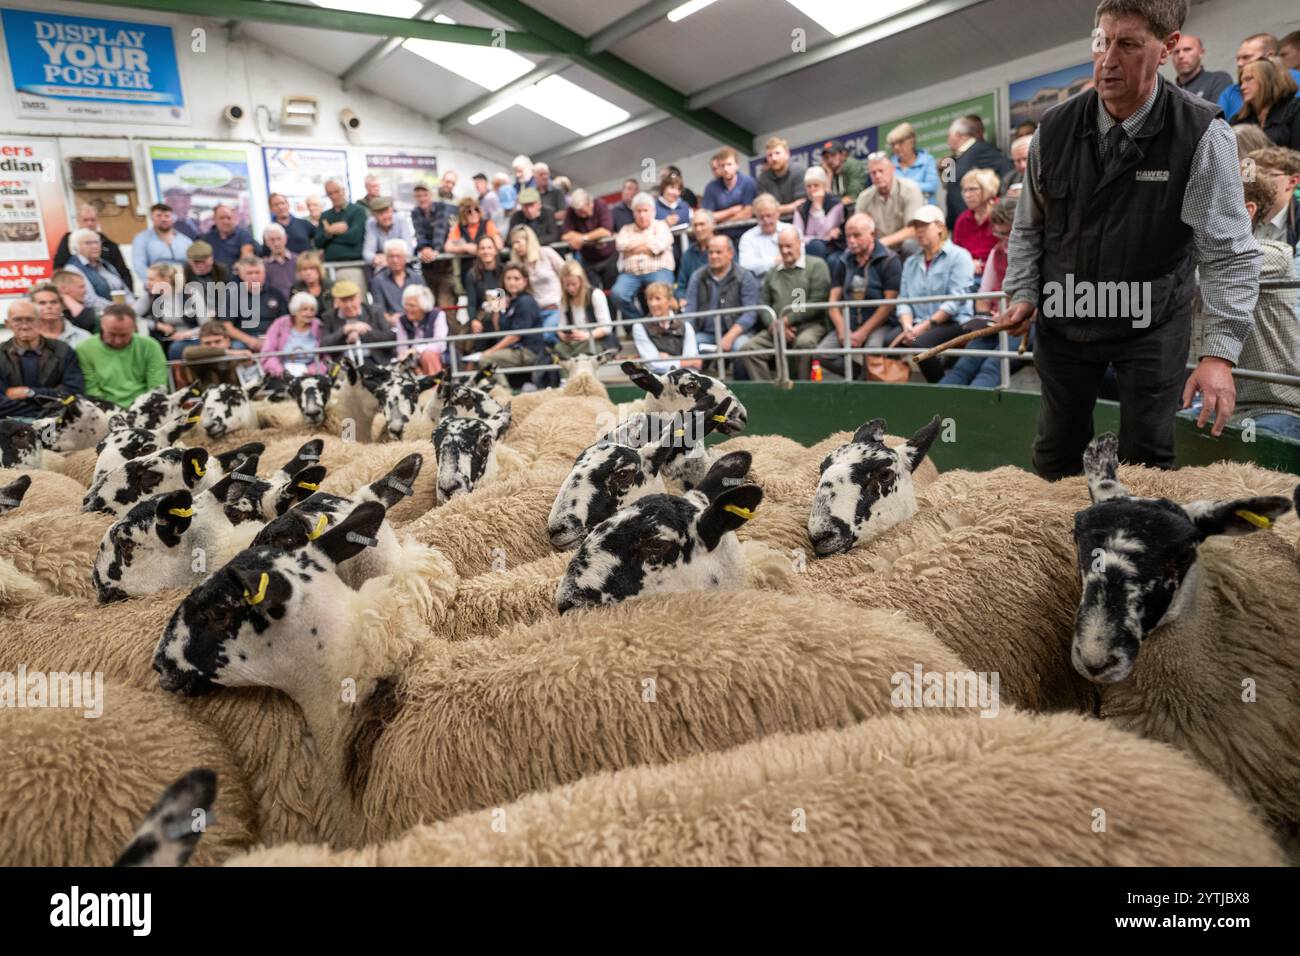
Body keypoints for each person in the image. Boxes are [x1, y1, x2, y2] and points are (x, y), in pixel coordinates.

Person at [999, 0, 1262, 478]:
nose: (1108, 59)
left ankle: (1137, 551)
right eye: (1101, 42)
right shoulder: (1052, 130)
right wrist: (1021, 291)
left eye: (1128, 44)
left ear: (1168, 47)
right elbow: (1028, 227)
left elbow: (1228, 255)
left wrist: (1218, 354)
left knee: (1146, 458)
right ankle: (1060, 548)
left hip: (1152, 322)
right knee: (1056, 453)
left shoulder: (1201, 134)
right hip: (1066, 316)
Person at [1218, 175, 1300, 439]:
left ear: (1247, 210)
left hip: (1280, 408)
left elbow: (1207, 270)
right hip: (1219, 405)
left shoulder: (1274, 256)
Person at [940, 200, 1026, 388]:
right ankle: (933, 408)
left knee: (992, 367)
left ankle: (969, 414)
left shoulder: (1037, 254)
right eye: (999, 234)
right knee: (963, 366)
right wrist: (986, 317)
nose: (1004, 240)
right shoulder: (997, 252)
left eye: (1008, 234)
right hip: (997, 322)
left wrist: (1011, 315)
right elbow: (983, 297)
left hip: (1025, 324)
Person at [887, 205, 974, 383]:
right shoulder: (911, 262)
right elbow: (903, 299)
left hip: (954, 321)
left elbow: (956, 300)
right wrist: (907, 326)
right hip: (920, 322)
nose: (919, 231)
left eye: (924, 226)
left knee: (921, 344)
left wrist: (923, 327)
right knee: (887, 342)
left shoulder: (960, 256)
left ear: (940, 227)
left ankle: (942, 389)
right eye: (916, 227)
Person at [741, 227, 832, 381]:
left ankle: (803, 389)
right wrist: (775, 325)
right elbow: (763, 303)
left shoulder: (816, 265)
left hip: (811, 325)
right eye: (781, 246)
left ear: (800, 243)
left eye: (788, 246)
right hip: (777, 328)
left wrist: (786, 321)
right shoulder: (773, 272)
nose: (784, 250)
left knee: (804, 343)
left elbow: (817, 300)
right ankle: (767, 393)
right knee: (749, 349)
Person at [819, 213, 903, 376]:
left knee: (872, 354)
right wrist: (843, 330)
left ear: (872, 235)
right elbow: (833, 301)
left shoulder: (889, 260)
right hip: (849, 321)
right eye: (848, 236)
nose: (851, 240)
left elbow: (889, 304)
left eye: (857, 235)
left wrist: (863, 332)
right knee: (820, 354)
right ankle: (858, 377)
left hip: (880, 323)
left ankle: (868, 387)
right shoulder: (843, 260)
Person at [0, 300, 84, 419]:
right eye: (17, 320)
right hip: (11, 424)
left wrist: (29, 392)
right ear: (7, 324)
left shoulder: (63, 351)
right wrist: (45, 407)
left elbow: (73, 391)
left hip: (57, 422)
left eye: (30, 319)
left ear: (40, 322)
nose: (24, 326)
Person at [75, 303, 168, 408]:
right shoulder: (84, 348)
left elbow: (156, 387)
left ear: (134, 327)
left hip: (145, 407)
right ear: (102, 325)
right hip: (103, 410)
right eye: (112, 334)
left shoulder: (150, 346)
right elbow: (91, 390)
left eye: (124, 335)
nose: (118, 341)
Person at [685, 235, 760, 359]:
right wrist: (686, 338)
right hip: (706, 333)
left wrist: (730, 337)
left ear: (730, 253)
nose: (714, 256)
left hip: (737, 333)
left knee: (740, 348)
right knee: (691, 347)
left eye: (718, 252)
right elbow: (689, 312)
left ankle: (737, 379)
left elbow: (750, 313)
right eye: (711, 252)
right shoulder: (697, 277)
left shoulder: (745, 276)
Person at [471, 263, 545, 383]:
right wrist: (497, 310)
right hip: (515, 349)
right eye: (508, 278)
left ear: (525, 281)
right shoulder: (512, 302)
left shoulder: (525, 301)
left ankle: (504, 392)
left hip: (527, 350)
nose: (512, 282)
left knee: (486, 360)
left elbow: (515, 336)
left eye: (516, 279)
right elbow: (499, 329)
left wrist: (491, 351)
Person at [611, 193, 676, 319]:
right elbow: (620, 245)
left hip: (658, 271)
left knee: (661, 292)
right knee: (617, 294)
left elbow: (658, 246)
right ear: (633, 213)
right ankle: (641, 323)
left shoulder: (661, 226)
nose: (642, 215)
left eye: (645, 210)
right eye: (638, 211)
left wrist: (632, 247)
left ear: (652, 211)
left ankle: (662, 324)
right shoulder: (626, 229)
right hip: (631, 274)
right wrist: (648, 243)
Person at [940, 117, 1012, 228]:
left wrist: (997, 201)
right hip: (960, 222)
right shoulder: (959, 156)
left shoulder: (981, 149)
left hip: (977, 222)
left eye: (949, 136)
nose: (947, 141)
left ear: (959, 135)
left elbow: (1006, 168)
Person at [1217, 32, 1300, 122]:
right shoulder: (1230, 92)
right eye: (1238, 59)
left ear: (1270, 56)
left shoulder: (1295, 80)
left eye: (1246, 57)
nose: (1239, 64)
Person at [855, 152, 925, 256]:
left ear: (893, 169)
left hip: (902, 245)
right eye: (873, 173)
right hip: (877, 249)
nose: (878, 176)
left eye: (881, 171)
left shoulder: (911, 189)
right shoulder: (864, 197)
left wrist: (881, 243)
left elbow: (913, 229)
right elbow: (858, 229)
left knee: (910, 244)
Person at [52, 204, 133, 289]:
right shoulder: (68, 240)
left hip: (111, 286)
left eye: (92, 220)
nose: (89, 223)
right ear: (78, 221)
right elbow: (59, 268)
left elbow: (123, 272)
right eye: (85, 220)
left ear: (97, 221)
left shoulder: (108, 244)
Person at [507, 225, 565, 340]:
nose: (515, 247)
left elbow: (567, 273)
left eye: (518, 242)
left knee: (546, 336)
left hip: (556, 308)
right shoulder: (518, 265)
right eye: (513, 243)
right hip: (535, 312)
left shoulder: (546, 253)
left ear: (528, 241)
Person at [320, 279, 395, 366]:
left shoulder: (375, 311)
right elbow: (324, 345)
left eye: (352, 299)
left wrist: (363, 333)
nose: (349, 305)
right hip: (343, 365)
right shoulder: (329, 317)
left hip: (373, 361)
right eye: (344, 301)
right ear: (337, 302)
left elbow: (390, 338)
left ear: (359, 298)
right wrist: (344, 330)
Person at [139, 263, 203, 364]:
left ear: (166, 279)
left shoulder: (191, 294)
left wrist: (185, 334)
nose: (147, 283)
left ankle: (176, 378)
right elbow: (130, 316)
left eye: (152, 279)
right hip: (165, 339)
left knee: (176, 348)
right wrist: (157, 325)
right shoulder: (151, 296)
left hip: (192, 337)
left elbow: (206, 326)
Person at [632, 282, 701, 374]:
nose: (653, 304)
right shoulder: (639, 327)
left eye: (658, 299)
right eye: (650, 299)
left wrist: (668, 358)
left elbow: (694, 363)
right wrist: (685, 362)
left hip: (684, 380)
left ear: (669, 301)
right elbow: (653, 365)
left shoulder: (685, 325)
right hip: (658, 382)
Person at [1231, 59, 1300, 149]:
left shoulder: (1295, 109)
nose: (1242, 87)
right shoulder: (1239, 119)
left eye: (1248, 80)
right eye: (1241, 82)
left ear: (1267, 81)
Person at [410, 182, 457, 309]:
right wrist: (425, 249)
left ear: (431, 195)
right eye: (418, 196)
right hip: (429, 266)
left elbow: (440, 231)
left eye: (424, 195)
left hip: (445, 266)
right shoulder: (415, 212)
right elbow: (419, 234)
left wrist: (436, 250)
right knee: (432, 307)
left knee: (446, 306)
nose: (422, 198)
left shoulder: (442, 208)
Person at [554, 260, 613, 360]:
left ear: (581, 280)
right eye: (567, 285)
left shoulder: (595, 294)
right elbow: (561, 325)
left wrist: (586, 335)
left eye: (573, 284)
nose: (570, 288)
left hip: (595, 340)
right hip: (574, 341)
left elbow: (606, 327)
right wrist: (563, 335)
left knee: (579, 353)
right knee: (558, 348)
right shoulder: (564, 300)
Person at [953, 169, 1001, 288]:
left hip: (999, 275)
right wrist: (968, 263)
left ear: (987, 189)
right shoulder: (963, 220)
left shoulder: (1002, 214)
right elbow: (956, 252)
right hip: (968, 275)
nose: (967, 195)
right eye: (964, 190)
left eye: (973, 189)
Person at [561, 189, 617, 290]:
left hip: (608, 258)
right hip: (588, 260)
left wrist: (583, 239)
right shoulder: (572, 211)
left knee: (611, 291)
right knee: (592, 291)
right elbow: (566, 235)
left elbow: (606, 230)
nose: (582, 214)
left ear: (590, 203)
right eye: (579, 212)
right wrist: (592, 237)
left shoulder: (600, 204)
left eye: (583, 210)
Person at [261, 292, 326, 378]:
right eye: (304, 309)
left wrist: (311, 371)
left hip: (310, 374)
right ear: (295, 310)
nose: (309, 313)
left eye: (312, 310)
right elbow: (268, 353)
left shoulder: (318, 325)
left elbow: (325, 357)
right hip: (281, 374)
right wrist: (282, 372)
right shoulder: (280, 323)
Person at [64, 229, 133, 310]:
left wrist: (131, 304)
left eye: (97, 242)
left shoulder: (106, 265)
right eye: (88, 243)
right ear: (76, 247)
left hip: (123, 310)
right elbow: (89, 300)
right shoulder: (72, 269)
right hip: (100, 314)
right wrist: (116, 308)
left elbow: (125, 290)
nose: (95, 246)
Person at [702, 147, 760, 242]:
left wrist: (723, 221)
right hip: (722, 238)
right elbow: (708, 217)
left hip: (749, 235)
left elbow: (748, 213)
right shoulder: (711, 187)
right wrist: (732, 211)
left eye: (729, 164)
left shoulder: (748, 182)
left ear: (737, 165)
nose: (726, 169)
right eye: (722, 165)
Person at [1247, 146, 1300, 248]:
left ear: (1292, 181)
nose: (1255, 181)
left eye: (1266, 175)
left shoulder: (1297, 218)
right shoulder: (1245, 212)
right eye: (1254, 175)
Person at [444, 196, 501, 289]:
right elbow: (448, 246)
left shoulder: (487, 224)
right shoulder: (460, 228)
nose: (474, 213)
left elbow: (498, 244)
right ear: (463, 213)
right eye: (469, 211)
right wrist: (465, 247)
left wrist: (482, 249)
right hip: (469, 274)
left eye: (476, 210)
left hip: (489, 272)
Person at [368, 238, 426, 324]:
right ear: (386, 258)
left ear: (405, 258)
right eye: (391, 256)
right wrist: (392, 320)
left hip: (416, 322)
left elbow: (424, 305)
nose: (395, 260)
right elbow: (379, 309)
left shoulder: (416, 278)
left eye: (398, 256)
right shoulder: (378, 280)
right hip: (390, 324)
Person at [394, 284, 448, 376]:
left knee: (428, 355)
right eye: (406, 304)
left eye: (412, 306)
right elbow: (401, 348)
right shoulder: (401, 320)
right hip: (411, 361)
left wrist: (416, 350)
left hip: (437, 358)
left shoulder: (438, 315)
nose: (407, 309)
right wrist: (412, 362)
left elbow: (439, 344)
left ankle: (435, 387)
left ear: (424, 307)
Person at [182, 321, 255, 388]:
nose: (213, 346)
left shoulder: (240, 358)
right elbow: (187, 352)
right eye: (207, 343)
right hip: (209, 399)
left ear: (228, 340)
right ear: (201, 344)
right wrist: (228, 352)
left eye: (217, 341)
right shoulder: (198, 358)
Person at [794, 166, 845, 260]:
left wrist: (817, 207)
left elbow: (823, 233)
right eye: (808, 186)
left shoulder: (835, 204)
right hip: (807, 248)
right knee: (816, 246)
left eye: (816, 185)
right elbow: (797, 237)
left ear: (824, 186)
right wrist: (815, 239)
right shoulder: (801, 208)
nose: (812, 189)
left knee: (823, 251)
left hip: (832, 248)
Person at [132, 203, 193, 280]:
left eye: (167, 216)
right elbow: (139, 265)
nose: (163, 219)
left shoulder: (186, 241)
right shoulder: (141, 239)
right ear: (152, 218)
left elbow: (193, 264)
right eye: (159, 216)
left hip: (184, 283)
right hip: (157, 284)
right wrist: (151, 282)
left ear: (173, 218)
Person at [314, 179, 368, 263]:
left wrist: (329, 236)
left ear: (343, 191)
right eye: (330, 193)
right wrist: (330, 231)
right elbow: (318, 243)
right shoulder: (325, 215)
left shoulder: (358, 211)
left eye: (336, 192)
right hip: (329, 262)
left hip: (352, 261)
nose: (334, 196)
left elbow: (354, 237)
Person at [887, 122, 940, 203]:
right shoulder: (889, 164)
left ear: (912, 141)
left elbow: (931, 186)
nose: (896, 147)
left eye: (900, 142)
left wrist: (903, 185)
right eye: (893, 144)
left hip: (924, 211)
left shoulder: (927, 160)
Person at [1171, 33, 1233, 103]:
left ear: (1201, 53)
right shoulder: (1169, 92)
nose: (1180, 56)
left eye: (1187, 49)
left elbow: (1218, 112)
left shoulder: (1218, 80)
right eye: (1176, 52)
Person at [755, 137, 807, 217]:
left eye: (777, 153)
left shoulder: (799, 171)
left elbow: (802, 204)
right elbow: (762, 209)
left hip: (799, 220)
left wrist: (774, 209)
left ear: (787, 154)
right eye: (770, 155)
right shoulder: (763, 178)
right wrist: (790, 207)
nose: (774, 158)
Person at [361, 197, 416, 274]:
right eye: (380, 213)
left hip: (402, 263)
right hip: (381, 265)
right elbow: (367, 252)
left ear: (392, 211)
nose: (385, 216)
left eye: (387, 211)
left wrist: (390, 259)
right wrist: (374, 258)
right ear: (374, 215)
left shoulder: (401, 220)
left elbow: (409, 249)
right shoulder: (370, 223)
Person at [30, 282, 91, 348]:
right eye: (42, 303)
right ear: (32, 307)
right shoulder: (25, 337)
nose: (49, 306)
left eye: (54, 302)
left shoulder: (83, 337)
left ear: (62, 306)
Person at [675, 210, 714, 309]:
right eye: (695, 225)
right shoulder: (688, 254)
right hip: (693, 303)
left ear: (712, 225)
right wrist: (681, 298)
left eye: (702, 224)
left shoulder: (724, 247)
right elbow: (681, 285)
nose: (698, 229)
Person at [464, 234, 505, 329]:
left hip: (503, 315)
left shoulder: (504, 270)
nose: (486, 251)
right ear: (478, 252)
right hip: (482, 317)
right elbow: (471, 303)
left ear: (495, 251)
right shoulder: (472, 274)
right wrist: (473, 320)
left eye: (489, 248)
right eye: (482, 248)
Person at [737, 194, 783, 278]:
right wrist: (775, 261)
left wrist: (759, 264)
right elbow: (745, 266)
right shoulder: (747, 237)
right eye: (761, 217)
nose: (766, 220)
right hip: (759, 282)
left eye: (769, 216)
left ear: (777, 214)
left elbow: (797, 260)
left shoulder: (791, 231)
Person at [200, 204, 256, 269]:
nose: (226, 221)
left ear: (234, 219)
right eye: (221, 218)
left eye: (229, 218)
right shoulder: (206, 239)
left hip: (236, 274)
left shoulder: (243, 235)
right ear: (214, 220)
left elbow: (247, 259)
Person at [819, 140, 867, 208]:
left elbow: (852, 197)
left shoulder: (853, 165)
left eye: (833, 155)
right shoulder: (826, 171)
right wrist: (829, 175)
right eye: (826, 157)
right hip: (837, 211)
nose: (830, 160)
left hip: (858, 209)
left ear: (843, 155)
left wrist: (831, 206)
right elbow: (822, 201)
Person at [290, 250, 334, 319]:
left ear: (319, 270)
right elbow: (293, 313)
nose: (308, 273)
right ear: (299, 272)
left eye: (312, 268)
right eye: (304, 269)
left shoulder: (330, 286)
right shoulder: (296, 289)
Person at [50, 270, 97, 334]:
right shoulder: (55, 313)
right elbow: (87, 321)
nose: (85, 291)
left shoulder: (81, 309)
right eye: (81, 287)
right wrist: (64, 295)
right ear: (63, 288)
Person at [260, 223, 297, 300]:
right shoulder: (263, 265)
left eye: (279, 238)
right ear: (266, 242)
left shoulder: (298, 260)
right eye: (272, 240)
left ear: (285, 239)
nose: (276, 243)